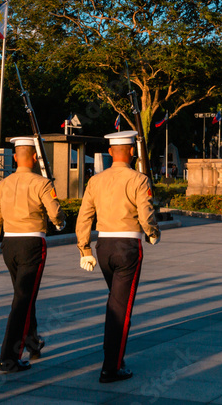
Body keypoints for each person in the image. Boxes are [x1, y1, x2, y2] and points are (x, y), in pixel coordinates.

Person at [77, 130, 161, 383]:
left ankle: (115, 358)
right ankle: (111, 367)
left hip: (103, 247)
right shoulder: (139, 179)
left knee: (115, 303)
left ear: (111, 152)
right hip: (127, 246)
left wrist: (84, 249)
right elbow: (145, 212)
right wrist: (153, 232)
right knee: (120, 310)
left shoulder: (96, 180)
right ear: (132, 152)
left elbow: (84, 216)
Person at [0, 137, 66, 373]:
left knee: (24, 295)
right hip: (32, 243)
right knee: (22, 301)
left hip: (9, 245)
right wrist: (60, 222)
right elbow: (55, 212)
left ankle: (31, 341)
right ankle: (8, 357)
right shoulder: (41, 183)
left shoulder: (2, 185)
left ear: (14, 157)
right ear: (34, 157)